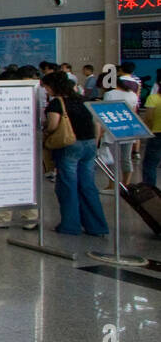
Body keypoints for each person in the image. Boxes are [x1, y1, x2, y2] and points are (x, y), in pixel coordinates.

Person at [41, 71, 109, 237]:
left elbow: (53, 125)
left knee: (68, 185)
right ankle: (96, 226)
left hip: (70, 146)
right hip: (89, 144)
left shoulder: (57, 103)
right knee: (88, 185)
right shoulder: (83, 99)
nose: (46, 91)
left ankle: (70, 225)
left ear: (53, 86)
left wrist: (44, 131)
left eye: (46, 87)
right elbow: (96, 124)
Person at [143, 80, 161, 187]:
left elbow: (149, 118)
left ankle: (150, 191)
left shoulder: (153, 98)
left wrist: (147, 131)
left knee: (150, 164)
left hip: (157, 134)